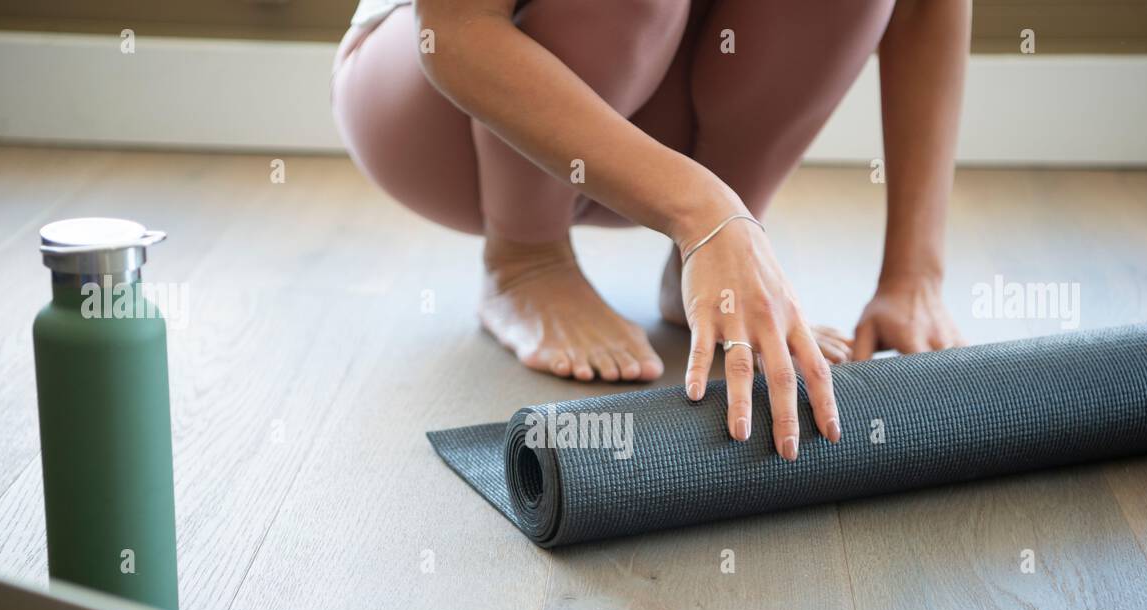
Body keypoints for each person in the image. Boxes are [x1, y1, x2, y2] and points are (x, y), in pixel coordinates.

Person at [332, 0, 970, 460]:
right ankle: (525, 257)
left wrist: (915, 275)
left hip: (658, 106)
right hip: (444, 110)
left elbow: (921, 8)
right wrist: (702, 211)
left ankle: (707, 267)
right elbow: (456, 29)